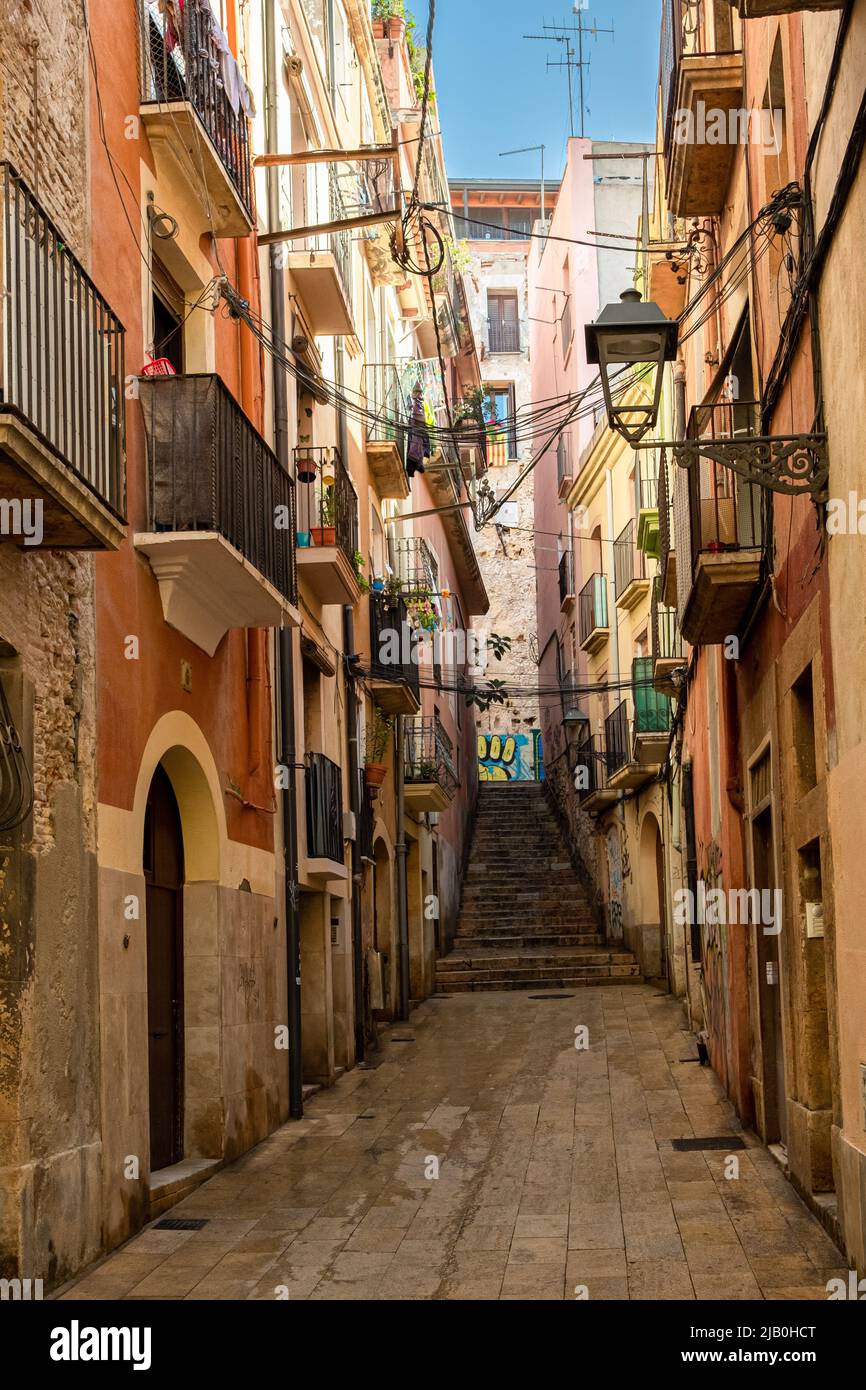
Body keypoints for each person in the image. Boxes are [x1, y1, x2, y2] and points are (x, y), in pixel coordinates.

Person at [406, 382, 431, 477]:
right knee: (415, 448)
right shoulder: (414, 402)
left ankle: (418, 464)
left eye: (420, 393)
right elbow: (417, 416)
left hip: (419, 430)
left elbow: (421, 417)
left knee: (419, 449)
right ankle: (415, 466)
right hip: (416, 429)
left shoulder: (420, 403)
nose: (419, 395)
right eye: (417, 392)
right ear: (414, 393)